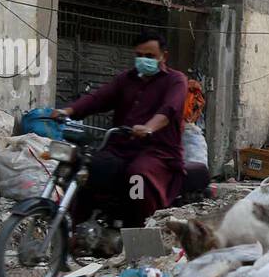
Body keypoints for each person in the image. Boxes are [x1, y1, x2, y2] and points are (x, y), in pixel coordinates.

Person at [56, 31, 188, 228]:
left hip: (158, 152)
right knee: (87, 169)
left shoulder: (176, 80)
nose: (144, 60)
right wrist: (68, 110)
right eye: (139, 55)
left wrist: (149, 127)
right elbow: (98, 98)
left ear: (164, 56)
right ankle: (77, 229)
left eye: (150, 56)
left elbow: (169, 109)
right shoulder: (126, 79)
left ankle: (138, 228)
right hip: (120, 148)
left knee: (137, 177)